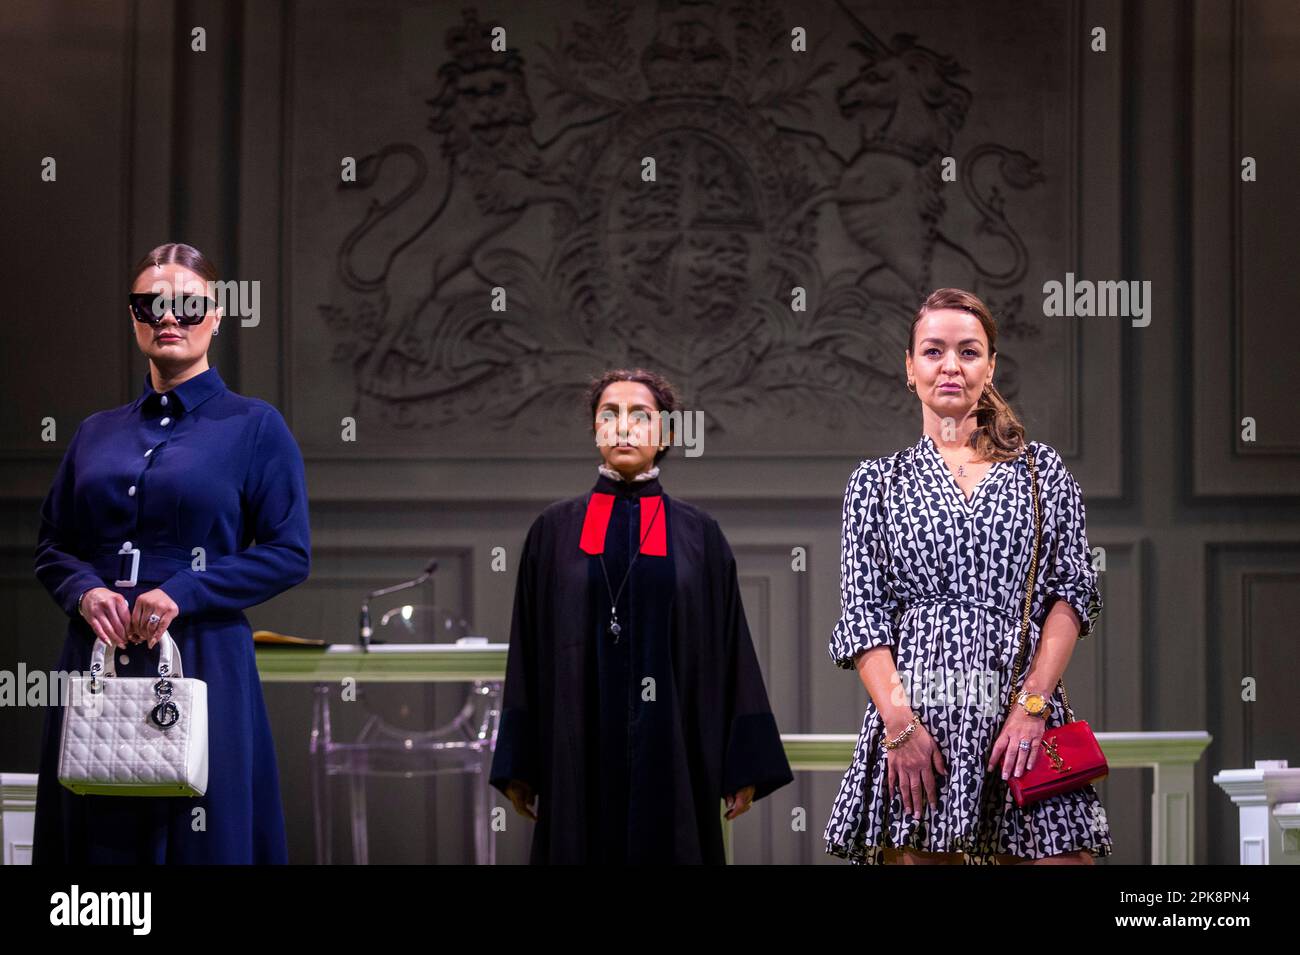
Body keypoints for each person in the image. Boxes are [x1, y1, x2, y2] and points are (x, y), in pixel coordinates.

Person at [32, 242, 310, 863]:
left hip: (203, 656)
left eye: (187, 304)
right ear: (134, 318)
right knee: (95, 840)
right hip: (96, 656)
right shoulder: (95, 432)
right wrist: (85, 592)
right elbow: (53, 546)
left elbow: (289, 552)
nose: (168, 317)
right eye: (150, 304)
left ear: (216, 316)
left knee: (200, 835)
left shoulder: (255, 426)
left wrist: (183, 590)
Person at [824, 288, 1112, 865]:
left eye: (968, 351)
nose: (950, 366)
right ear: (910, 367)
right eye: (933, 351)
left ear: (990, 366)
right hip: (918, 721)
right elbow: (863, 618)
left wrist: (1032, 707)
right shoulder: (876, 483)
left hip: (1018, 713)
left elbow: (1071, 596)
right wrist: (900, 727)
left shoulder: (1041, 472)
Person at [490, 368, 793, 863]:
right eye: (609, 414)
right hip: (578, 749)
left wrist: (744, 762)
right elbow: (526, 651)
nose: (624, 427)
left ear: (667, 434)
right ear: (595, 430)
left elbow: (731, 648)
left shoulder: (698, 534)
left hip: (673, 749)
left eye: (640, 415)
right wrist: (520, 762)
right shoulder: (553, 531)